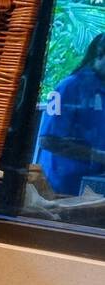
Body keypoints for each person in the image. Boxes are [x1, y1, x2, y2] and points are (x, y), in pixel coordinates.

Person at [35, 32, 105, 196]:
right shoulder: (68, 87)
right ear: (100, 54)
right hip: (61, 188)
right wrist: (98, 156)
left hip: (94, 187)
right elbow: (47, 141)